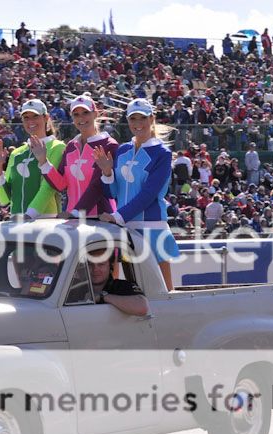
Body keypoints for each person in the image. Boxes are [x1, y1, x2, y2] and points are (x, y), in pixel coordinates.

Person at [95, 98, 181, 291]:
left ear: (152, 119)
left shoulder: (162, 153)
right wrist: (107, 173)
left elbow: (149, 194)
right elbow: (112, 192)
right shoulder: (123, 149)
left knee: (164, 291)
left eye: (142, 118)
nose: (137, 123)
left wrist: (117, 217)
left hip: (152, 228)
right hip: (125, 227)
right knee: (136, 289)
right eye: (132, 118)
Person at [32, 93, 117, 217]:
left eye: (85, 113)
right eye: (76, 114)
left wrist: (76, 212)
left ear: (95, 114)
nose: (81, 118)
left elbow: (98, 186)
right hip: (73, 218)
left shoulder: (109, 145)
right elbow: (61, 185)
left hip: (100, 219)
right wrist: (43, 162)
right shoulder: (71, 147)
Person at [0, 99, 64, 219]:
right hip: (17, 221)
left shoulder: (57, 147)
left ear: (46, 118)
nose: (30, 121)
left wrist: (29, 215)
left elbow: (48, 188)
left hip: (45, 220)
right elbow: (4, 199)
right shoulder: (16, 153)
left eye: (35, 116)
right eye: (26, 117)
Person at [86, 248, 149, 316]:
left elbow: (142, 307)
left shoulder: (121, 286)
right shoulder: (75, 288)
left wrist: (102, 297)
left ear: (110, 266)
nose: (95, 269)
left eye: (101, 264)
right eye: (90, 264)